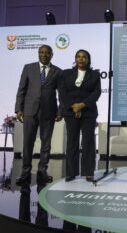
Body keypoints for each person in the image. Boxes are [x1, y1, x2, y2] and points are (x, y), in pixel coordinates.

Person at [15, 45, 62, 186]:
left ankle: (42, 172)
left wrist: (60, 111)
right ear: (38, 53)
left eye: (47, 53)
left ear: (52, 55)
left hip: (49, 112)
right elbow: (21, 89)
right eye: (41, 52)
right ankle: (25, 173)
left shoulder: (58, 71)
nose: (44, 55)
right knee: (28, 143)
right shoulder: (28, 68)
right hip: (30, 111)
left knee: (46, 144)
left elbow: (62, 94)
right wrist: (19, 109)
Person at [59, 49, 101, 182]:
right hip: (70, 112)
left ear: (88, 59)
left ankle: (88, 172)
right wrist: (74, 106)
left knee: (88, 142)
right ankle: (71, 173)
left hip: (88, 112)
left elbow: (96, 93)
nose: (81, 59)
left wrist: (82, 105)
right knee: (72, 142)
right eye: (78, 56)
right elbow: (62, 93)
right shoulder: (66, 73)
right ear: (75, 58)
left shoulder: (94, 75)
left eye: (84, 57)